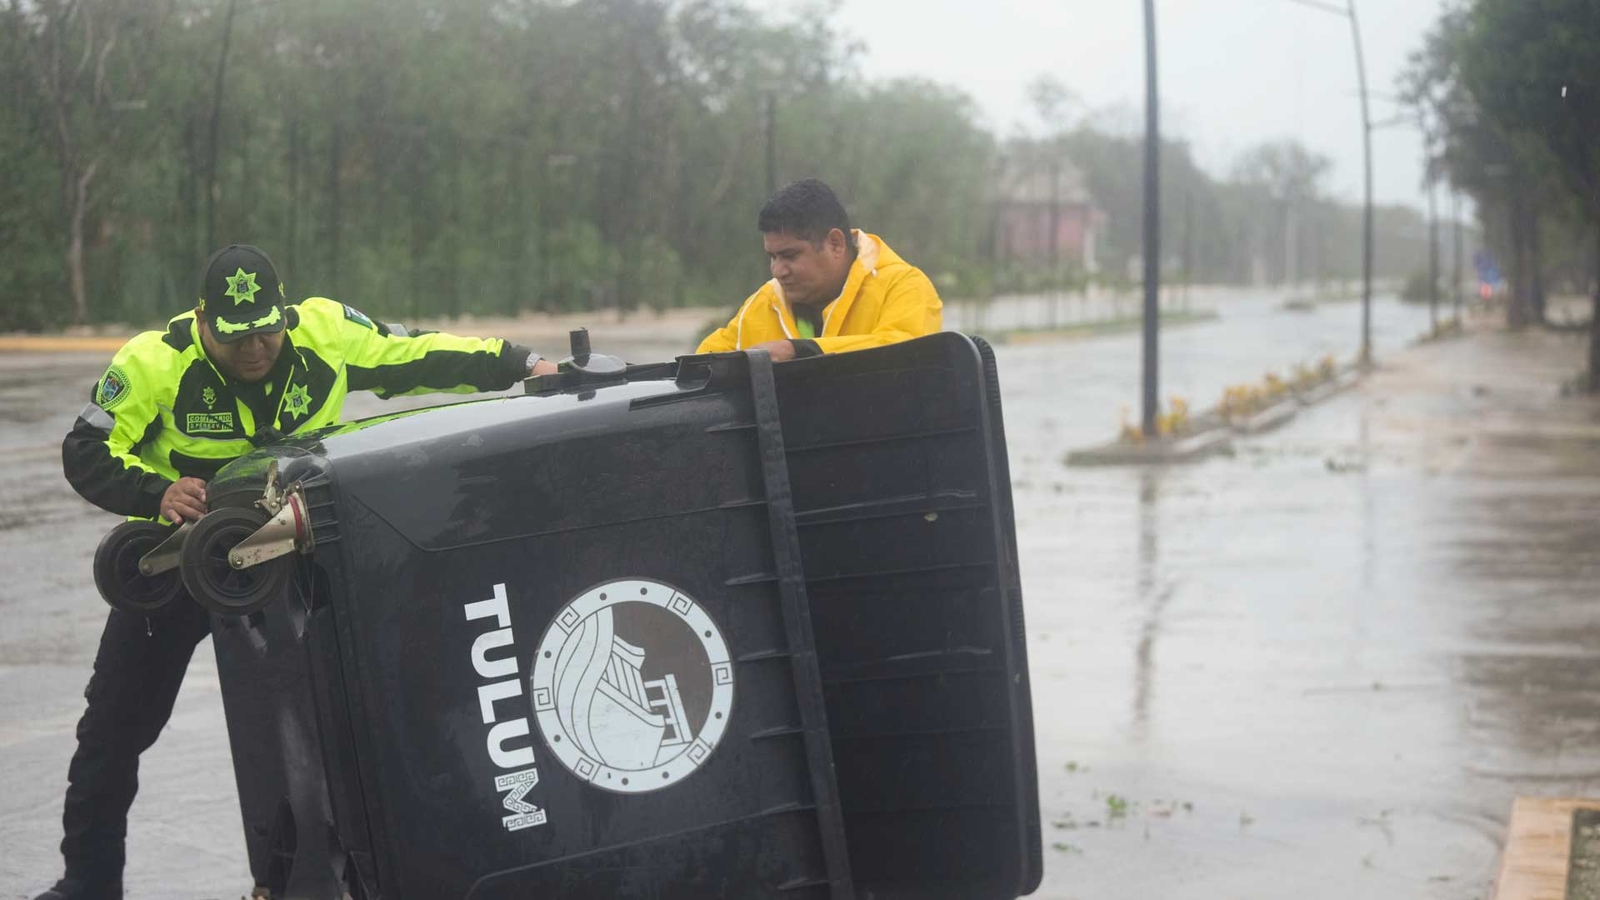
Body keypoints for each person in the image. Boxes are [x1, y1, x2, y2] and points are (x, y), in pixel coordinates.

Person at [39, 244, 559, 900]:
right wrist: (159, 493)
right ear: (203, 322)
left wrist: (523, 363)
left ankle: (333, 884)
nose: (256, 349)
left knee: (336, 735)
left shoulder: (324, 331)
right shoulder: (153, 361)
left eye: (266, 331)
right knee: (111, 730)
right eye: (237, 339)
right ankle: (87, 884)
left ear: (283, 313)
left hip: (296, 564)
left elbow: (420, 353)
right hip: (188, 560)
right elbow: (86, 448)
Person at [695, 178, 943, 360]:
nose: (778, 271)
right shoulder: (763, 303)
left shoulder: (905, 287)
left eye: (790, 255)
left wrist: (799, 352)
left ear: (835, 243)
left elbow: (904, 354)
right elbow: (704, 364)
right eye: (772, 257)